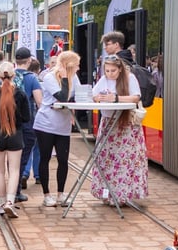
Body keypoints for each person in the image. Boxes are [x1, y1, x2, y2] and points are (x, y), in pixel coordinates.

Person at [91, 55, 149, 203]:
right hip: (108, 122)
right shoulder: (104, 79)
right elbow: (94, 94)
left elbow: (136, 97)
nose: (110, 74)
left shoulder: (130, 78)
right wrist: (99, 97)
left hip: (126, 125)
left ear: (120, 69)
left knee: (125, 160)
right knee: (106, 158)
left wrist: (116, 98)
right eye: (107, 71)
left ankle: (124, 194)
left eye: (113, 71)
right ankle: (106, 193)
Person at [0, 61, 31, 218]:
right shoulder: (20, 94)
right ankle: (11, 201)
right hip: (15, 134)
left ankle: (1, 202)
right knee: (14, 170)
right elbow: (26, 117)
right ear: (13, 75)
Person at [34, 51, 78, 206]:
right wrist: (65, 77)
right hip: (46, 123)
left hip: (63, 124)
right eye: (76, 66)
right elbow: (62, 96)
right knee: (45, 158)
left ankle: (61, 193)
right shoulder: (49, 77)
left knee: (63, 159)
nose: (78, 69)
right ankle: (47, 194)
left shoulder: (75, 77)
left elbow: (77, 95)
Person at [13, 47, 41, 202]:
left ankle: (11, 189)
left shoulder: (9, 76)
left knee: (12, 157)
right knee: (23, 157)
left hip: (11, 122)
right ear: (29, 60)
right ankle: (16, 191)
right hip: (27, 122)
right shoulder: (32, 78)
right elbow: (39, 102)